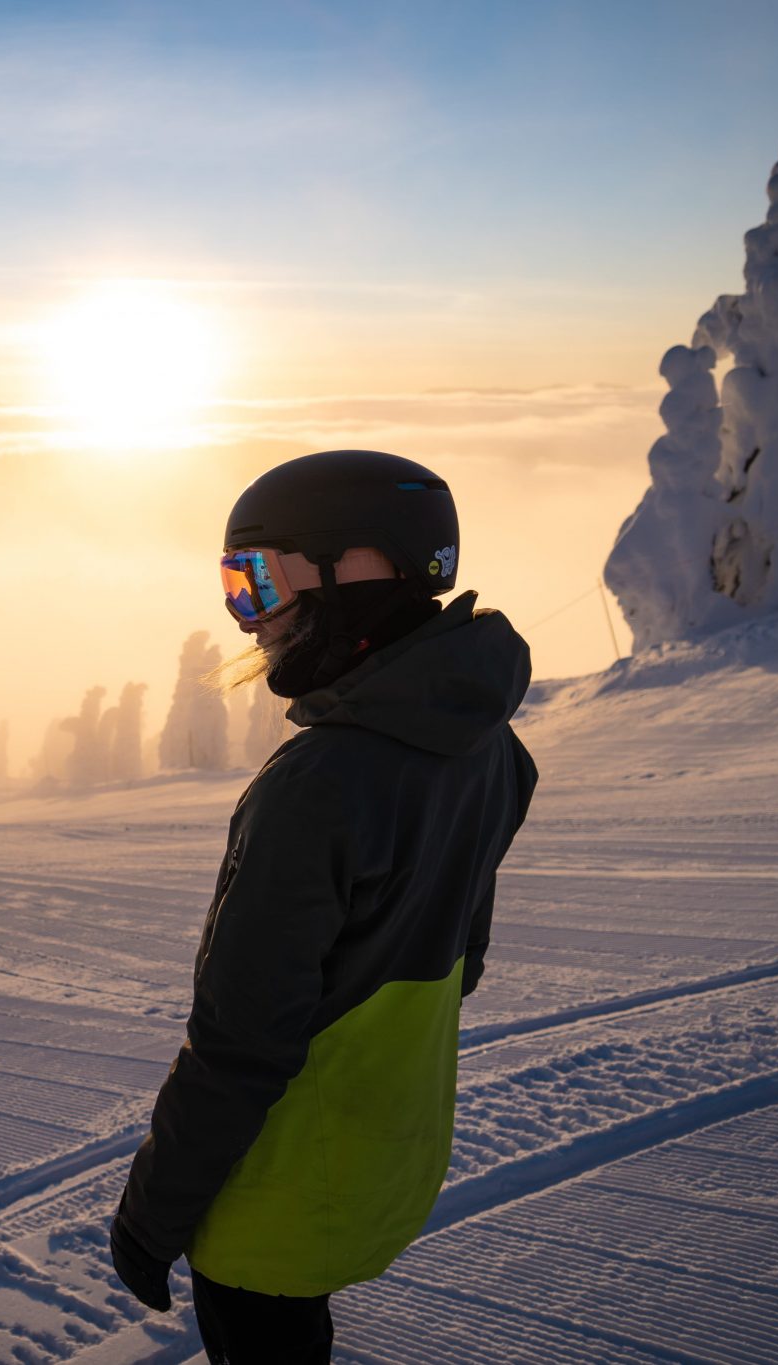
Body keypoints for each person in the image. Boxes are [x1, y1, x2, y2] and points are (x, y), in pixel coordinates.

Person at [108, 451, 538, 1363]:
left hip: (275, 1201)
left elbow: (240, 1041)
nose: (247, 617)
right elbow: (464, 952)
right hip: (392, 1162)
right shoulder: (484, 741)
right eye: (234, 585)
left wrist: (151, 1216)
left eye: (256, 580)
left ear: (360, 569)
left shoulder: (317, 785)